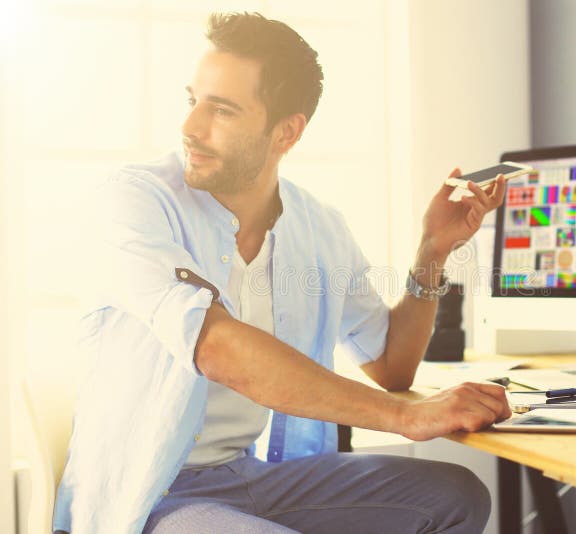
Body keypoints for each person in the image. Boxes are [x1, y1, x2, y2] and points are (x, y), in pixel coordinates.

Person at [53, 12, 510, 534]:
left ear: (286, 133)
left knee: (455, 496)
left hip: (254, 477)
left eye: (221, 110)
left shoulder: (319, 228)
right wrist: (407, 417)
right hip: (148, 493)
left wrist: (432, 251)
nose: (191, 127)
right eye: (193, 100)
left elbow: (391, 366)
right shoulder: (134, 201)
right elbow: (214, 344)